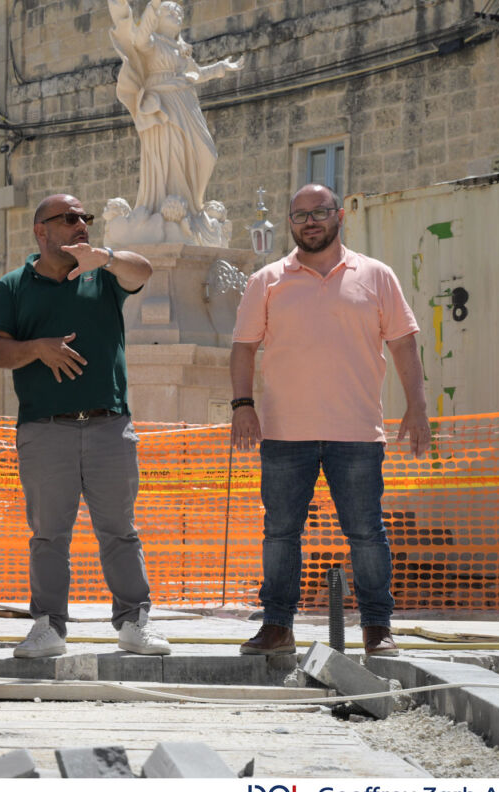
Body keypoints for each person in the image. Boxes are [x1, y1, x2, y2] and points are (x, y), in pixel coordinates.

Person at [230, 183, 432, 658]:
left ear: (339, 215)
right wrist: (243, 406)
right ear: (290, 223)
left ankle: (377, 630)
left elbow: (404, 344)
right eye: (299, 216)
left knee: (366, 533)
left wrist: (418, 407)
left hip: (357, 434)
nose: (310, 222)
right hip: (284, 434)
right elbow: (242, 349)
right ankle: (277, 627)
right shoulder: (266, 281)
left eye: (319, 212)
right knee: (280, 534)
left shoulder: (377, 276)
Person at [0, 194, 172, 659]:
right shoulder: (12, 287)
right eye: (69, 219)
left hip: (110, 426)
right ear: (41, 231)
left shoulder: (103, 276)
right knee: (50, 534)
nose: (81, 225)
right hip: (45, 430)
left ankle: (134, 623)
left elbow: (143, 271)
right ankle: (48, 628)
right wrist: (40, 348)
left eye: (85, 218)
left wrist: (106, 257)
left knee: (120, 531)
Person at [108, 0, 243, 216]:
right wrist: (153, 6)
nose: (177, 15)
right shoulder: (150, 42)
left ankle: (192, 205)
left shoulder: (180, 49)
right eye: (170, 11)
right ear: (158, 17)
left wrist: (220, 67)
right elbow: (140, 37)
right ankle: (171, 206)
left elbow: (196, 74)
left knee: (207, 153)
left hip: (185, 100)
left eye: (179, 12)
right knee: (172, 154)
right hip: (163, 102)